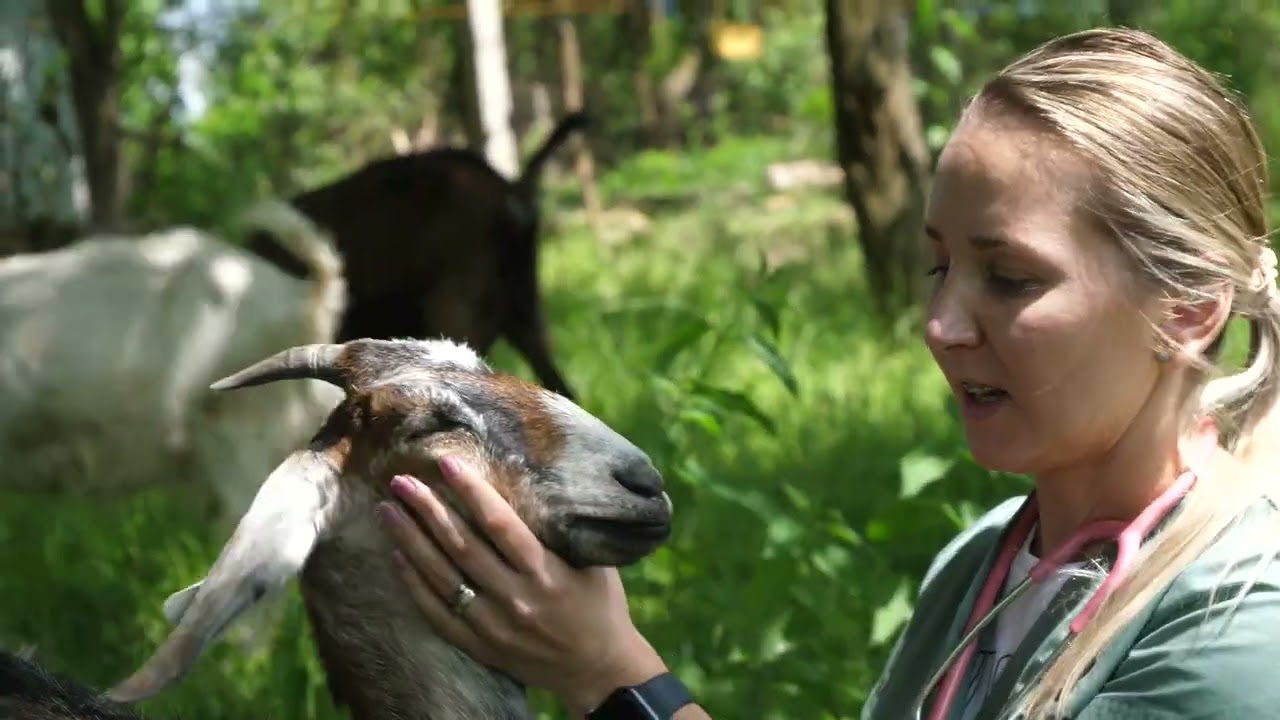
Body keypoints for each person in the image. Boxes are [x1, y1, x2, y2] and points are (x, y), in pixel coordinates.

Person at [378, 27, 1280, 720]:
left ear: (1189, 307)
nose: (939, 326)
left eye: (1008, 279)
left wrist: (612, 676)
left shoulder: (1239, 624)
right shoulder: (986, 558)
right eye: (937, 266)